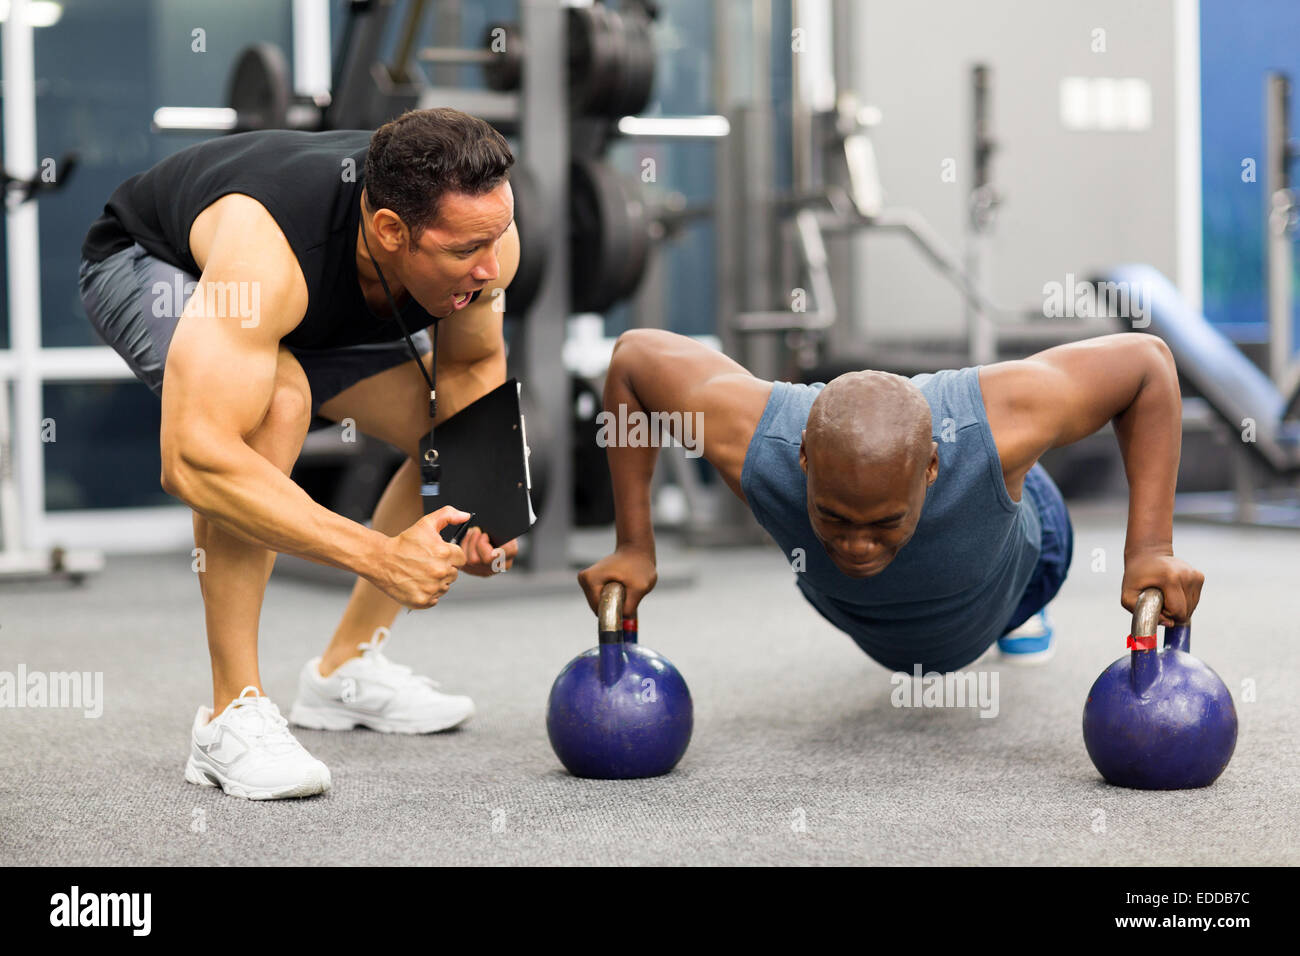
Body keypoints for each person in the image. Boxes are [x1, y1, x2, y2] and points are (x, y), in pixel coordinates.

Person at [78, 108, 522, 800]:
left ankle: (343, 671)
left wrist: (486, 498)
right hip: (152, 264)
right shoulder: (266, 248)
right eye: (468, 251)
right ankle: (231, 715)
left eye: (498, 235)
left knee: (445, 440)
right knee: (275, 407)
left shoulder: (483, 236)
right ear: (389, 231)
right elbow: (195, 459)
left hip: (312, 304)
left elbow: (470, 370)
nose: (493, 266)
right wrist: (380, 554)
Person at [579, 329, 1205, 676]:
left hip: (1015, 573)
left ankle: (1019, 614)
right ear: (802, 460)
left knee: (1018, 492)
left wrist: (1150, 549)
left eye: (883, 525)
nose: (855, 545)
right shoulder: (754, 442)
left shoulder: (998, 426)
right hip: (862, 617)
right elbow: (633, 359)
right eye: (834, 518)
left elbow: (1147, 365)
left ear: (932, 468)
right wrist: (634, 545)